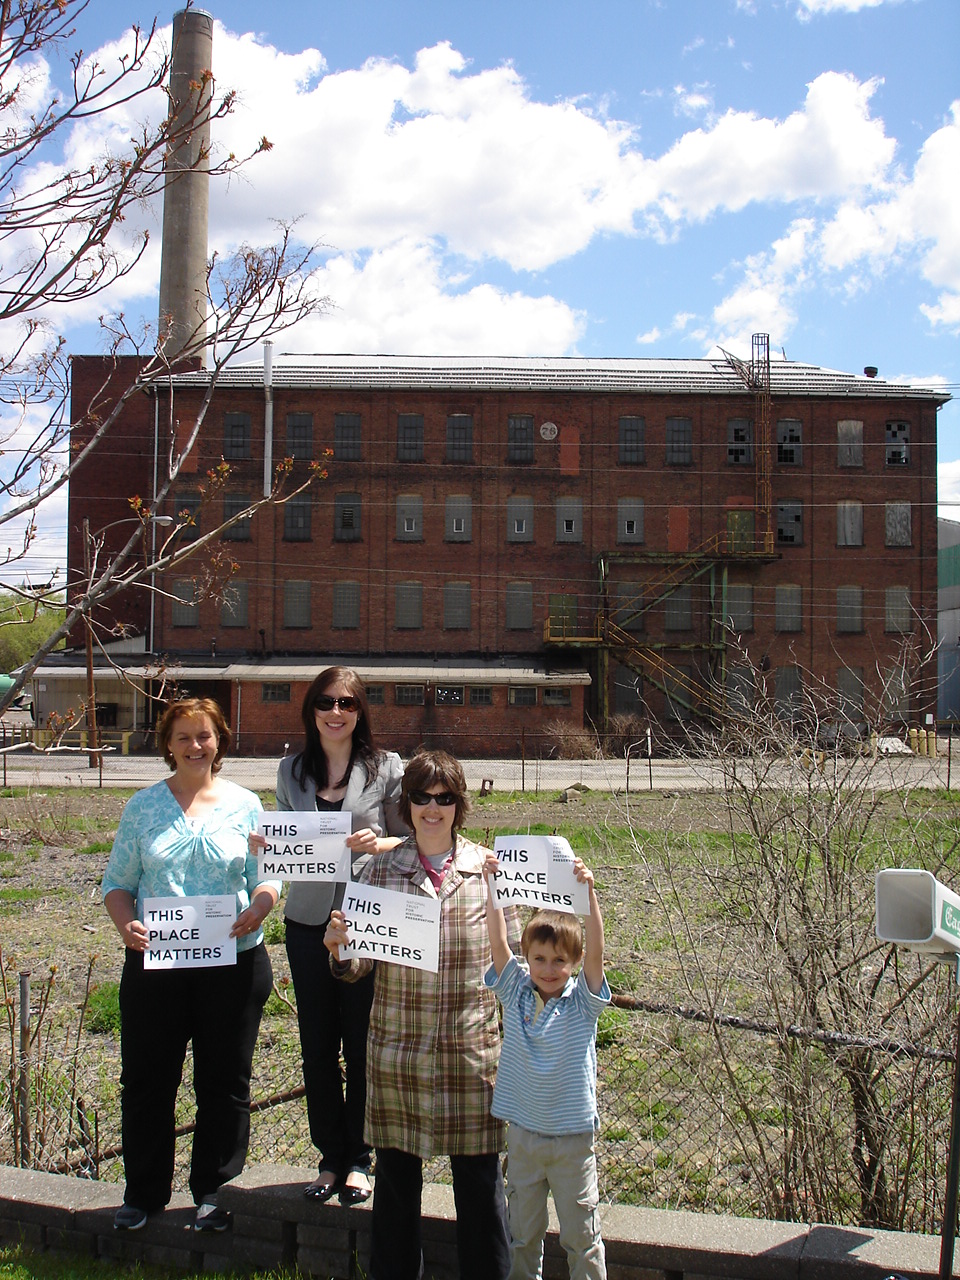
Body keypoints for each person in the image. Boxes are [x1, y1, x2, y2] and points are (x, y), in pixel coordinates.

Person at [324, 749, 521, 1280]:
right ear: (405, 804)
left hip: (471, 1055)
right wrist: (340, 949)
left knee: (481, 1189)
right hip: (398, 1054)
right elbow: (357, 965)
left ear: (460, 805)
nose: (432, 808)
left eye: (444, 798)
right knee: (394, 1190)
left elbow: (515, 962)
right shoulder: (379, 870)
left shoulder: (490, 871)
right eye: (421, 797)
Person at [102, 697, 280, 1234]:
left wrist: (262, 906)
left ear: (220, 740)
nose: (195, 745)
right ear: (168, 745)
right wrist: (125, 924)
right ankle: (144, 1194)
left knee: (224, 1083)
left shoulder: (247, 804)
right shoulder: (142, 808)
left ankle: (214, 1192)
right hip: (157, 966)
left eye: (204, 735)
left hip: (233, 964)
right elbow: (118, 884)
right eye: (183, 737)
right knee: (148, 1081)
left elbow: (268, 876)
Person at [277, 667, 407, 1206]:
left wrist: (378, 840)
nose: (336, 712)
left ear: (360, 711)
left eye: (347, 703)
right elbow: (284, 839)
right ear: (312, 709)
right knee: (316, 1043)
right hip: (306, 922)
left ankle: (359, 1158)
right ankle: (329, 1156)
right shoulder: (290, 770)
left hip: (366, 921)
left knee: (362, 1043)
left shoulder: (386, 768)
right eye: (326, 702)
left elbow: (410, 837)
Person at [483, 853, 610, 1280]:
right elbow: (498, 945)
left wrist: (588, 893)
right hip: (523, 1139)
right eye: (539, 959)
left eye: (559, 961)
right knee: (523, 1236)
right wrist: (494, 891)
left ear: (573, 963)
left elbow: (596, 950)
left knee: (581, 1240)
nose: (549, 969)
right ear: (528, 959)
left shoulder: (583, 1004)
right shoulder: (516, 993)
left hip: (572, 1145)